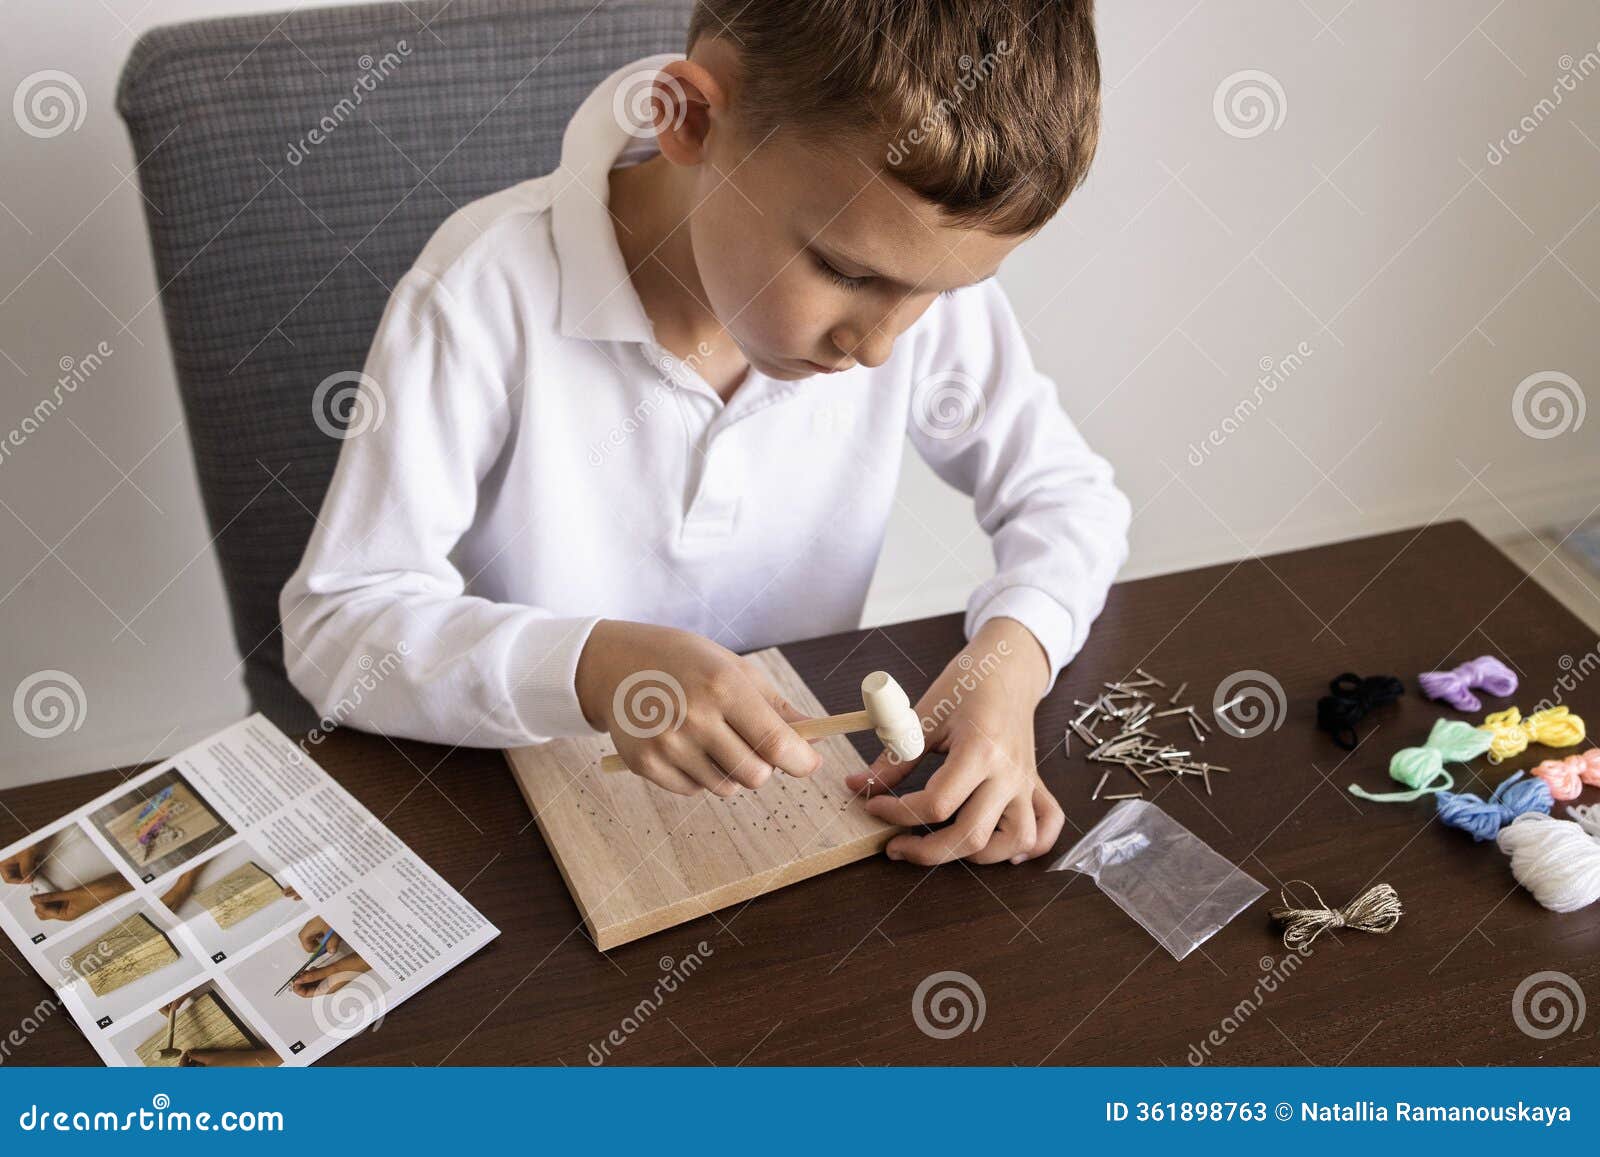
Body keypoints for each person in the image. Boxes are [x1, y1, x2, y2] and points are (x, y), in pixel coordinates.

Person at [281, 1, 1129, 866]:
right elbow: (336, 627)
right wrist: (593, 666)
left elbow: (1066, 497)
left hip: (789, 830)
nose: (879, 346)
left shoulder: (908, 280)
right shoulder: (479, 295)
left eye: (940, 293)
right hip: (523, 839)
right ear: (689, 118)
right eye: (843, 270)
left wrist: (1014, 662)